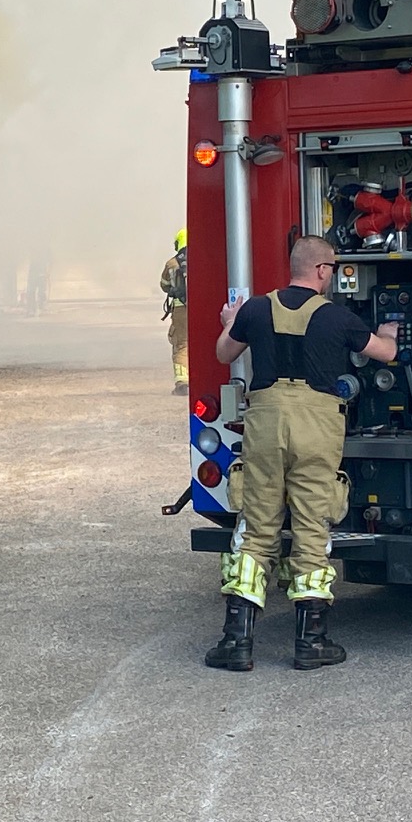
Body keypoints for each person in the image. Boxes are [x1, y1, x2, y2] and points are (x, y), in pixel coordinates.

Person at [204, 235, 398, 672]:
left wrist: (230, 319)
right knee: (312, 527)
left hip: (267, 424)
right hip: (316, 426)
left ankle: (237, 642)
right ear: (323, 271)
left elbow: (223, 353)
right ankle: (311, 642)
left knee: (256, 527)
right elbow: (386, 353)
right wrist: (388, 332)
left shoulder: (255, 309)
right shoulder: (336, 317)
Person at [160, 229, 189, 395]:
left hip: (180, 310)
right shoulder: (203, 258)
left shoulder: (172, 264)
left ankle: (182, 383)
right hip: (203, 310)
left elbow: (164, 285)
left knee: (182, 344)